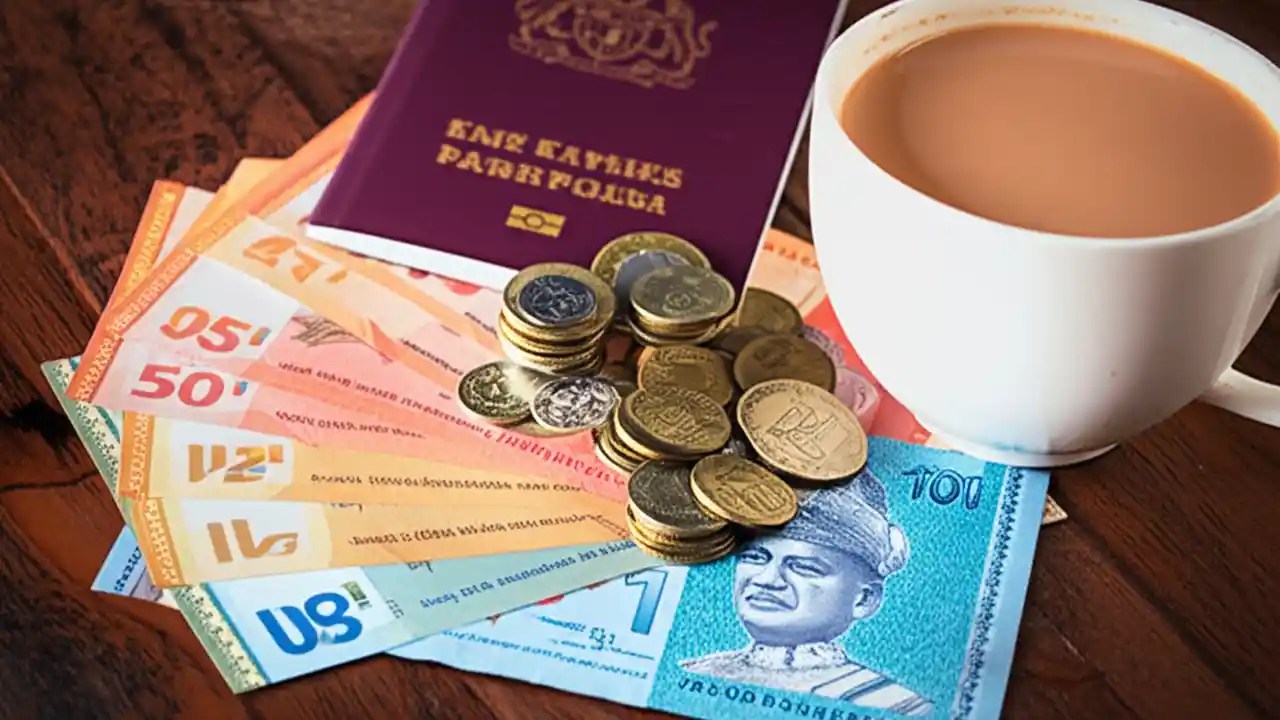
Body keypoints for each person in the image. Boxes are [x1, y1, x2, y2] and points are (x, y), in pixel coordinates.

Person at [680, 469, 932, 717]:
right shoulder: (692, 673)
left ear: (865, 599)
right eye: (755, 557)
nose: (767, 580)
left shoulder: (899, 707)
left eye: (804, 567)